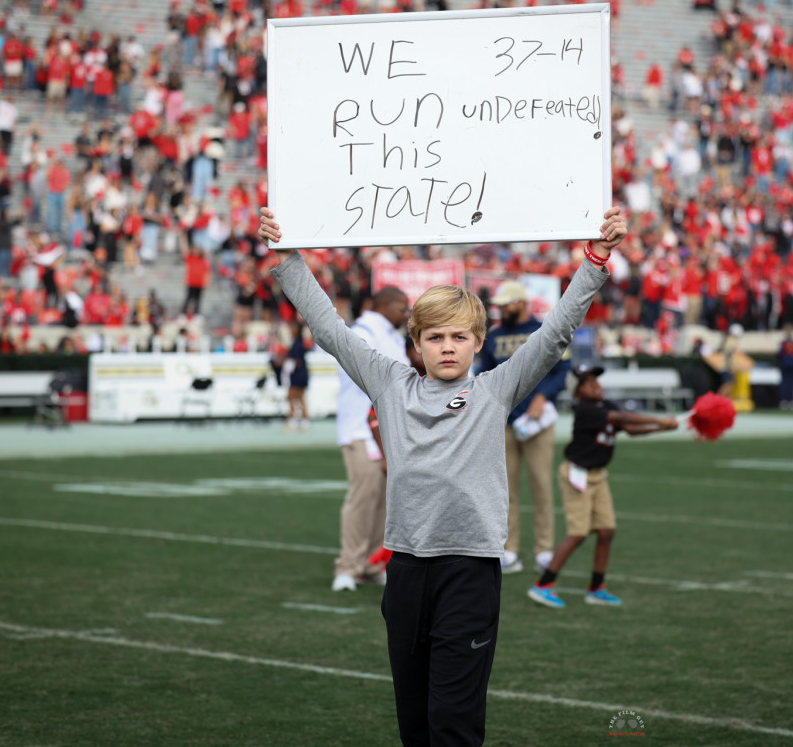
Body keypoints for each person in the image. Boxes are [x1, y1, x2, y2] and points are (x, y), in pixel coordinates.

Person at [260, 205, 626, 747]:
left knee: (453, 725)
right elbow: (330, 330)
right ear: (416, 345)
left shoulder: (495, 390)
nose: (448, 346)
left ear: (479, 342)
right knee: (415, 724)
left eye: (459, 336)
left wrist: (596, 259)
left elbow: (554, 334)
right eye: (435, 338)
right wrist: (288, 258)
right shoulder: (389, 384)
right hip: (406, 570)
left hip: (470, 572)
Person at [528, 364, 678, 609]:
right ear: (577, 393)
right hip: (577, 475)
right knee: (578, 533)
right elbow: (623, 418)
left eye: (596, 381)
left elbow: (629, 429)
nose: (596, 386)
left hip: (598, 475)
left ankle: (596, 587)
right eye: (588, 383)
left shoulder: (604, 405)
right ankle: (543, 584)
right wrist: (660, 420)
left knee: (607, 531)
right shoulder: (587, 410)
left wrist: (661, 427)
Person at [481, 280, 569, 574]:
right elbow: (484, 374)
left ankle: (544, 548)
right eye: (501, 305)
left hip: (536, 423)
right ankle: (510, 549)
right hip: (504, 422)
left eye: (507, 304)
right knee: (505, 489)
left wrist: (544, 395)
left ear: (521, 303)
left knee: (541, 485)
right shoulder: (493, 337)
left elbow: (563, 372)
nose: (502, 309)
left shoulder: (543, 331)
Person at [332, 285, 411, 592]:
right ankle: (348, 566)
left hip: (385, 431)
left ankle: (372, 563)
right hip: (361, 429)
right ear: (385, 304)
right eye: (401, 307)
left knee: (384, 502)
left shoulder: (389, 336)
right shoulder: (363, 334)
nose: (404, 314)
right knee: (362, 501)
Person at [284, 320, 311, 431]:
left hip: (299, 374)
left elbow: (298, 361)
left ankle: (294, 420)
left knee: (293, 397)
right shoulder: (296, 343)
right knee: (299, 398)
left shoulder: (298, 344)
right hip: (299, 374)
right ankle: (303, 420)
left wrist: (288, 364)